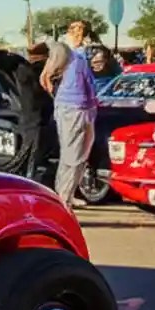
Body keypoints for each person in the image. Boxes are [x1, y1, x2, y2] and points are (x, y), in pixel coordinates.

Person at [41, 20, 99, 208]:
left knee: (82, 154)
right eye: (75, 28)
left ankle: (69, 192)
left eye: (82, 29)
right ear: (69, 31)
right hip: (71, 107)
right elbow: (46, 76)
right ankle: (62, 197)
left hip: (87, 106)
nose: (79, 32)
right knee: (71, 154)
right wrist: (58, 94)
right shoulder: (63, 50)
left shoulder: (85, 52)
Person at [16, 42, 55, 185]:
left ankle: (26, 175)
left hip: (30, 116)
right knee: (33, 152)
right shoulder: (33, 71)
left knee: (31, 150)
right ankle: (29, 179)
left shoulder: (23, 69)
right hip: (36, 117)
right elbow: (40, 91)